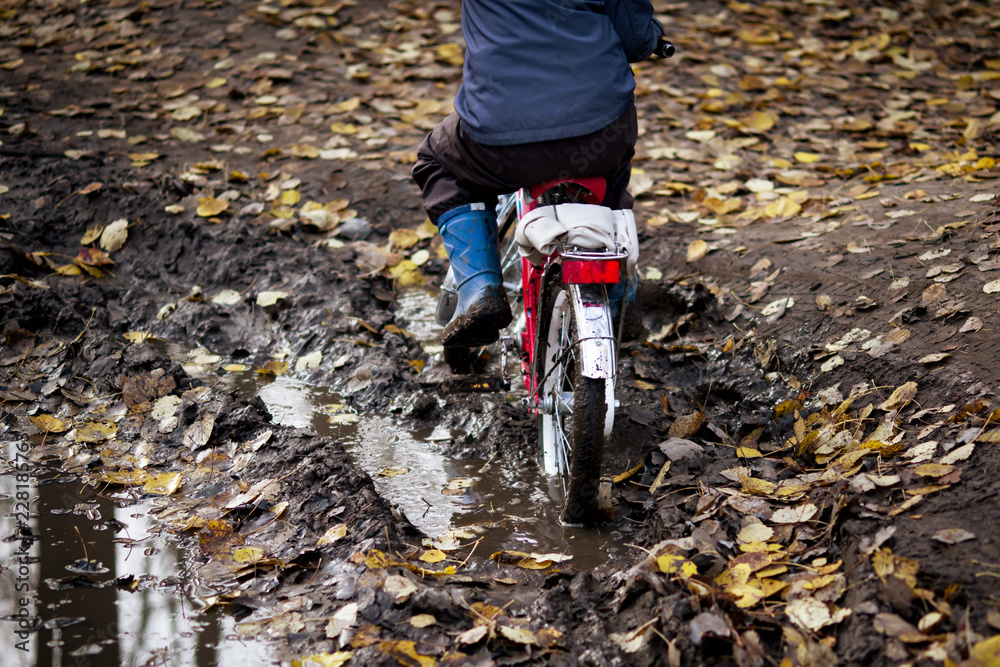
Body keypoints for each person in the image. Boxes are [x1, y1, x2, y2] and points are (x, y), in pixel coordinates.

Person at [412, 0, 663, 350]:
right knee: (611, 189)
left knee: (439, 163)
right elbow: (635, 39)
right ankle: (618, 297)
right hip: (601, 132)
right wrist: (654, 37)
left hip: (502, 140)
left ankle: (480, 292)